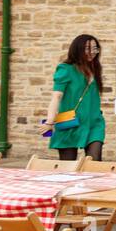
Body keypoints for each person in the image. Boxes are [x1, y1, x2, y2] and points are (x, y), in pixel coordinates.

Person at [41, 34, 106, 162]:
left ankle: (92, 182)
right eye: (88, 48)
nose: (92, 52)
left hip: (94, 122)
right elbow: (57, 96)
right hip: (69, 122)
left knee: (95, 161)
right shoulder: (66, 69)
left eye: (95, 48)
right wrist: (49, 121)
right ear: (78, 49)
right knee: (68, 166)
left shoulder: (95, 68)